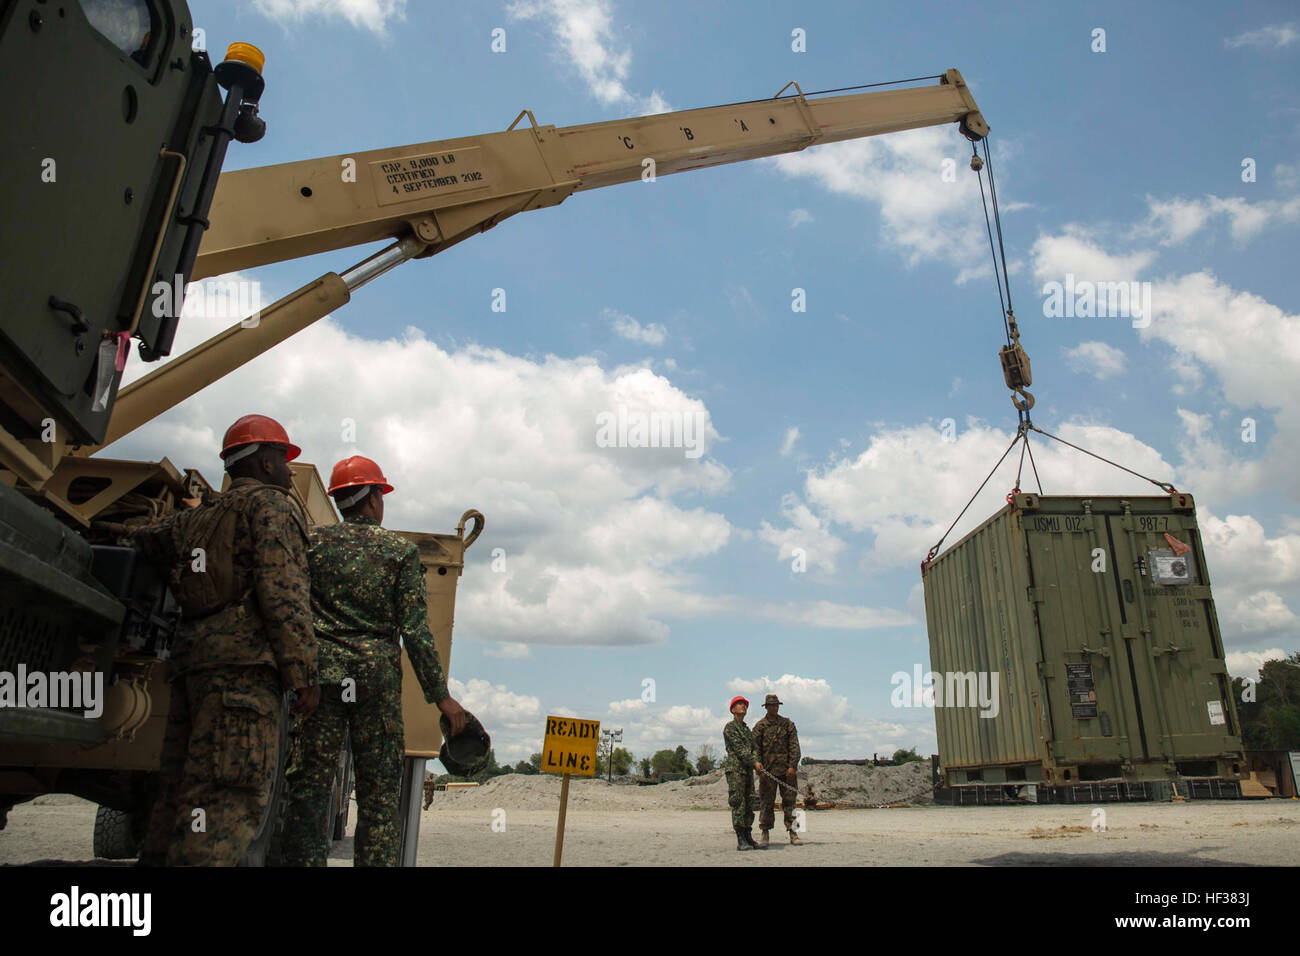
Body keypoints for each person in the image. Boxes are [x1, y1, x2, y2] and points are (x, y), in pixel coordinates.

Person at [134, 414, 319, 866]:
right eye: (284, 458)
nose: (290, 471)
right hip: (243, 683)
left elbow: (145, 540)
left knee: (179, 797)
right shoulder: (272, 507)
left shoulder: (198, 518)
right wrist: (303, 674)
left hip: (193, 670)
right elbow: (283, 594)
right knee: (225, 803)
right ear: (266, 463)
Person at [280, 455, 467, 866]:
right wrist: (442, 698)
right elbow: (416, 633)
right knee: (379, 799)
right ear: (371, 501)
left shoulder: (312, 544)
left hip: (319, 682)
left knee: (309, 793)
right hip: (376, 683)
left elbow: (290, 611)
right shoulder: (398, 552)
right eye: (381, 494)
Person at [751, 693, 802, 845]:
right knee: (766, 803)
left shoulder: (788, 724)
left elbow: (795, 746)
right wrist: (758, 765)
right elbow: (754, 748)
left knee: (791, 803)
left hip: (787, 772)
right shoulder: (760, 726)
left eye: (776, 705)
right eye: (771, 705)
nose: (774, 707)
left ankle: (794, 833)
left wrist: (793, 766)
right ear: (766, 707)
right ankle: (765, 833)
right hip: (768, 773)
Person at [721, 695, 764, 851]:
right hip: (736, 770)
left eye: (745, 705)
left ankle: (748, 835)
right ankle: (740, 839)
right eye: (740, 704)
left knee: (749, 803)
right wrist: (755, 762)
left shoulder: (746, 730)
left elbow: (754, 749)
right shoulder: (730, 728)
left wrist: (757, 762)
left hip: (747, 770)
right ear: (733, 710)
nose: (743, 707)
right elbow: (741, 750)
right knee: (739, 802)